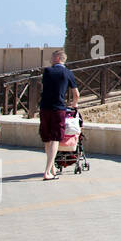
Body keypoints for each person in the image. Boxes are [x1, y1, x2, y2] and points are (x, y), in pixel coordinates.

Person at [38, 50, 79, 180]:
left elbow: (45, 88)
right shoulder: (67, 73)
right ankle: (47, 171)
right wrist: (74, 104)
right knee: (55, 139)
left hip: (44, 108)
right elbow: (76, 94)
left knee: (46, 138)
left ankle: (52, 168)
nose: (50, 59)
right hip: (58, 109)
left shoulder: (47, 71)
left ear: (57, 58)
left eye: (51, 56)